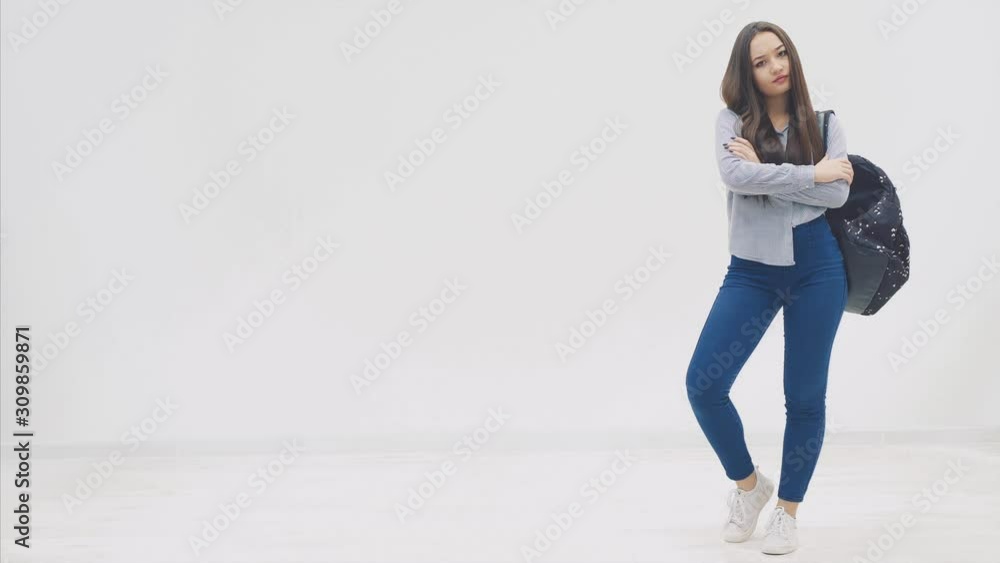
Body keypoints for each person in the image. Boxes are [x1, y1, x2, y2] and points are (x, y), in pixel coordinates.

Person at [685, 21, 854, 556]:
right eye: (760, 61)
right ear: (746, 72)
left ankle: (788, 513)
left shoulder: (825, 123)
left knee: (804, 399)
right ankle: (751, 487)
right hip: (752, 271)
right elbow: (738, 179)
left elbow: (840, 197)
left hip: (818, 271)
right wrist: (810, 175)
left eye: (780, 54)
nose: (775, 66)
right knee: (704, 385)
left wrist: (774, 173)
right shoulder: (730, 123)